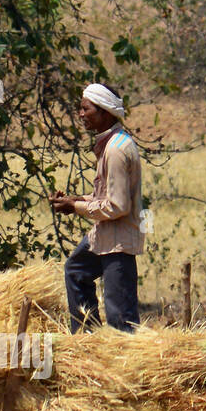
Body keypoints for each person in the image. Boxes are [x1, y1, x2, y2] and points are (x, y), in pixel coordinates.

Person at [52, 83, 145, 332]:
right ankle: (87, 342)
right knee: (75, 271)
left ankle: (122, 362)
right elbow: (104, 196)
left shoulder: (115, 150)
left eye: (86, 109)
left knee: (121, 320)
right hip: (105, 237)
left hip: (118, 242)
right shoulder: (112, 143)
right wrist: (75, 200)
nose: (81, 114)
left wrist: (76, 207)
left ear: (104, 111)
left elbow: (117, 206)